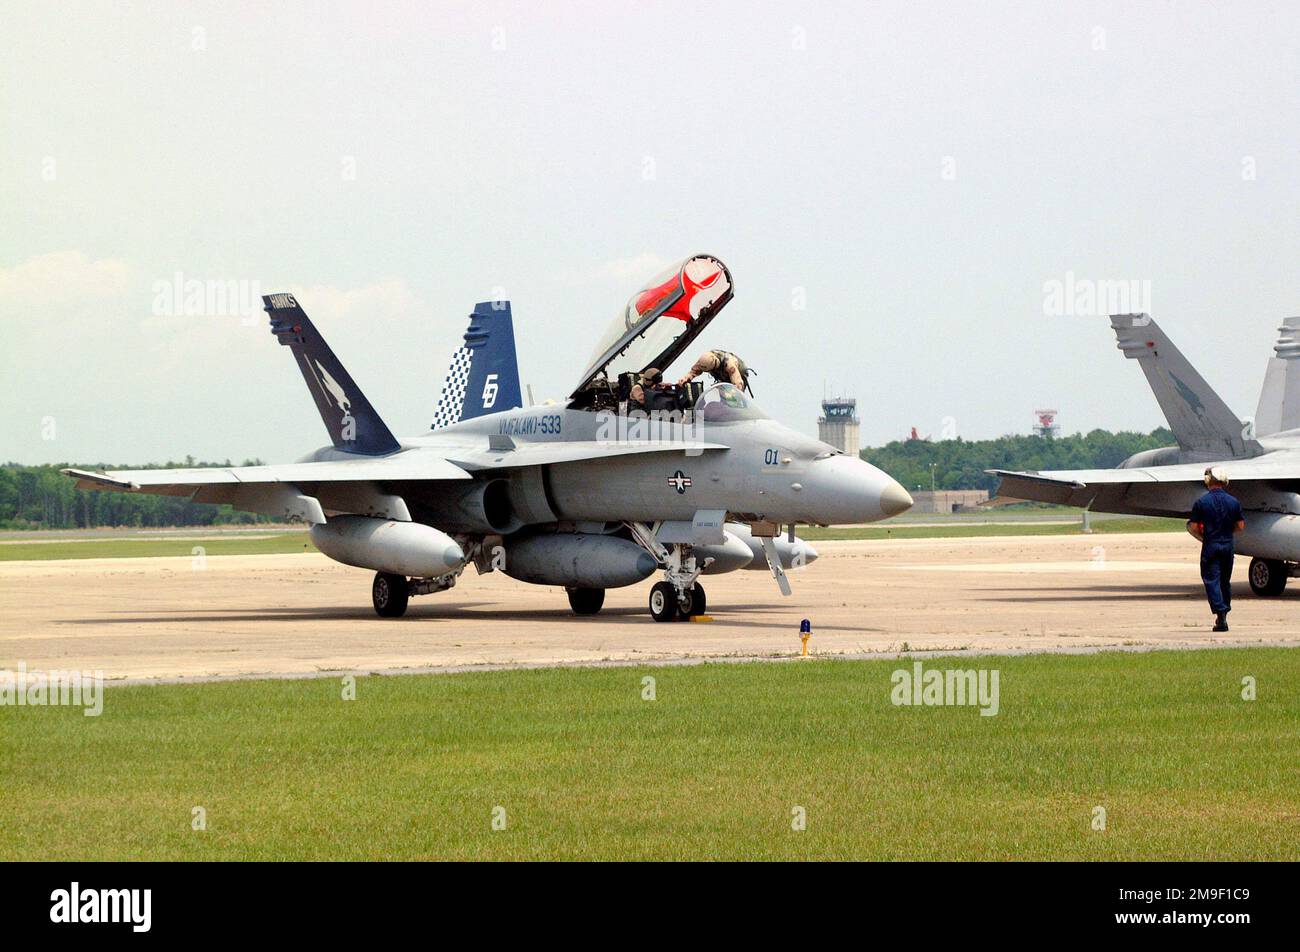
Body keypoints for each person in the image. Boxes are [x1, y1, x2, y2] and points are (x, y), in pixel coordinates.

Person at [1187, 466, 1245, 632]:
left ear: (1208, 481)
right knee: (1224, 581)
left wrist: (1206, 536)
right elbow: (1240, 526)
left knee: (1211, 580)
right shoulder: (1234, 502)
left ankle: (1220, 614)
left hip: (1211, 544)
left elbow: (1193, 526)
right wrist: (1227, 532)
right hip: (1227, 545)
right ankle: (1224, 612)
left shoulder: (1201, 502)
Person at [677, 350, 749, 390]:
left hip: (738, 376)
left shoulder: (729, 364)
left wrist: (736, 394)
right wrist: (684, 380)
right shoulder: (704, 360)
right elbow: (693, 372)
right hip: (723, 379)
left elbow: (738, 382)